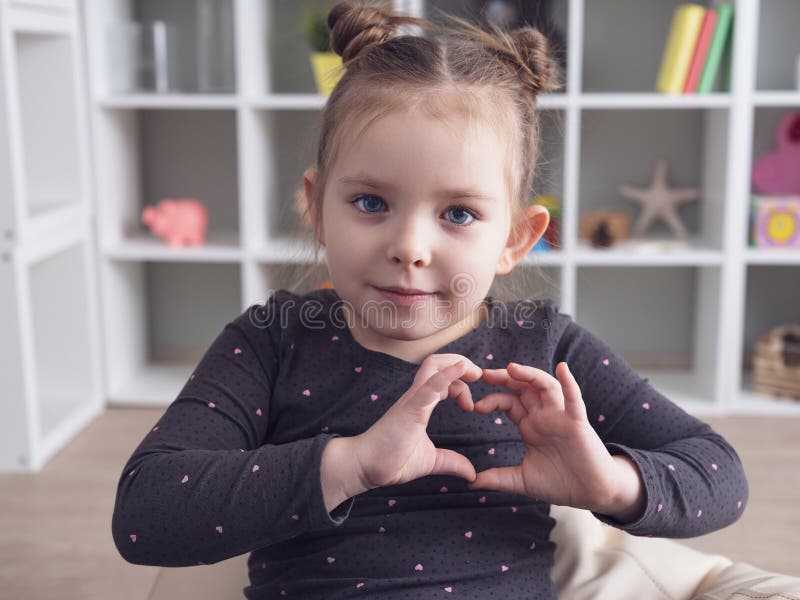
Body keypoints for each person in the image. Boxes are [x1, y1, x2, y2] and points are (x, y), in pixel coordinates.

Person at [110, 2, 767, 598]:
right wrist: (351, 464)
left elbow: (719, 476)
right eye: (371, 203)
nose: (410, 247)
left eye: (457, 213)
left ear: (516, 238)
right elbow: (144, 518)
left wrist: (608, 483)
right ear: (316, 209)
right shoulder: (273, 341)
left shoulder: (544, 347)